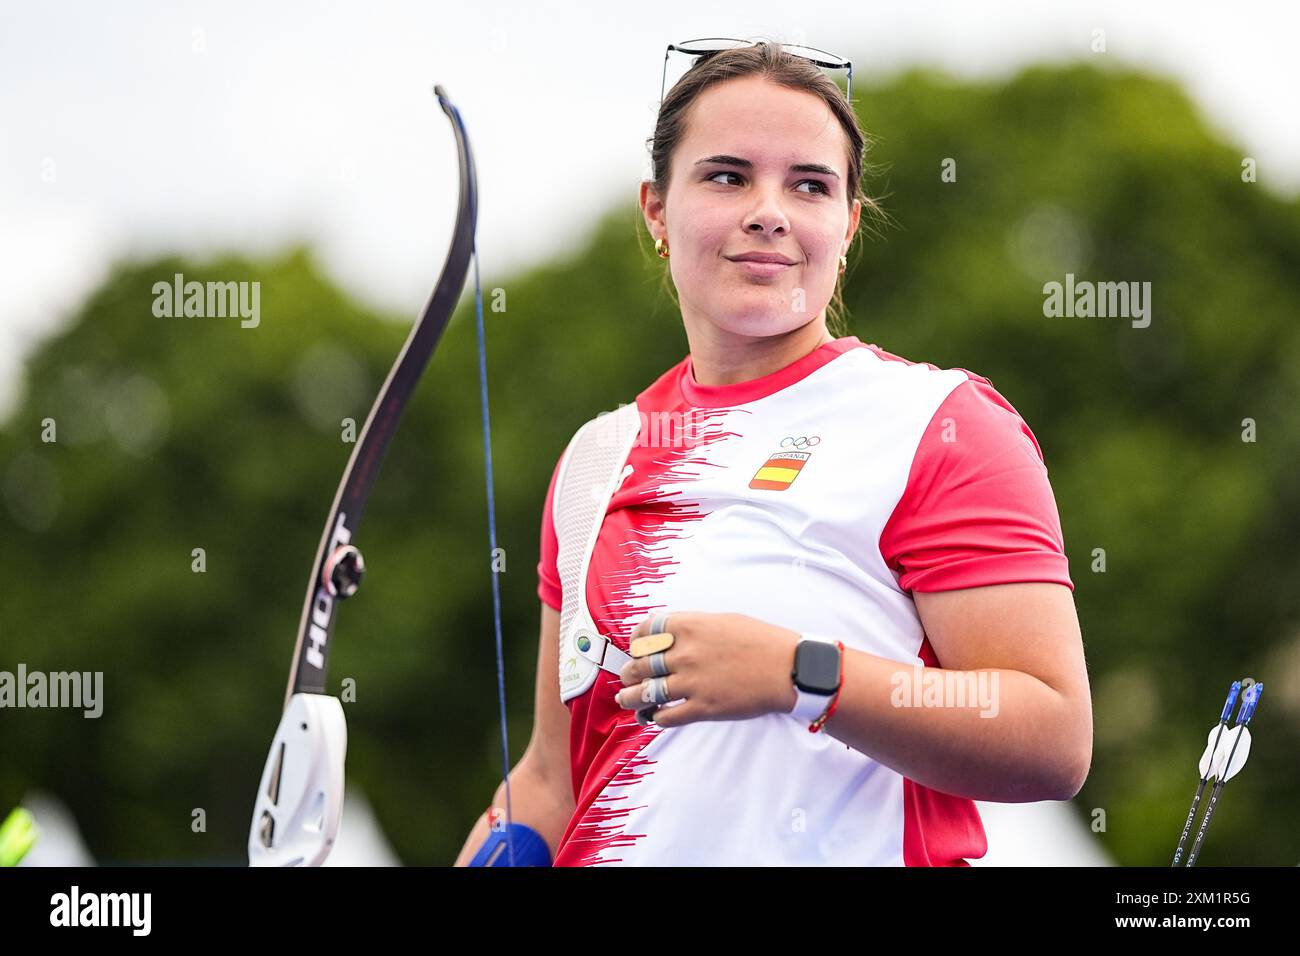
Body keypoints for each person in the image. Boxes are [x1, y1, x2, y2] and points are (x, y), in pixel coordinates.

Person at [455, 39, 1092, 867]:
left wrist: (800, 674)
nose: (769, 211)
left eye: (810, 185)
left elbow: (1051, 735)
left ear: (848, 224)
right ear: (656, 209)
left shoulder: (936, 422)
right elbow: (550, 782)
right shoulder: (597, 456)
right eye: (727, 176)